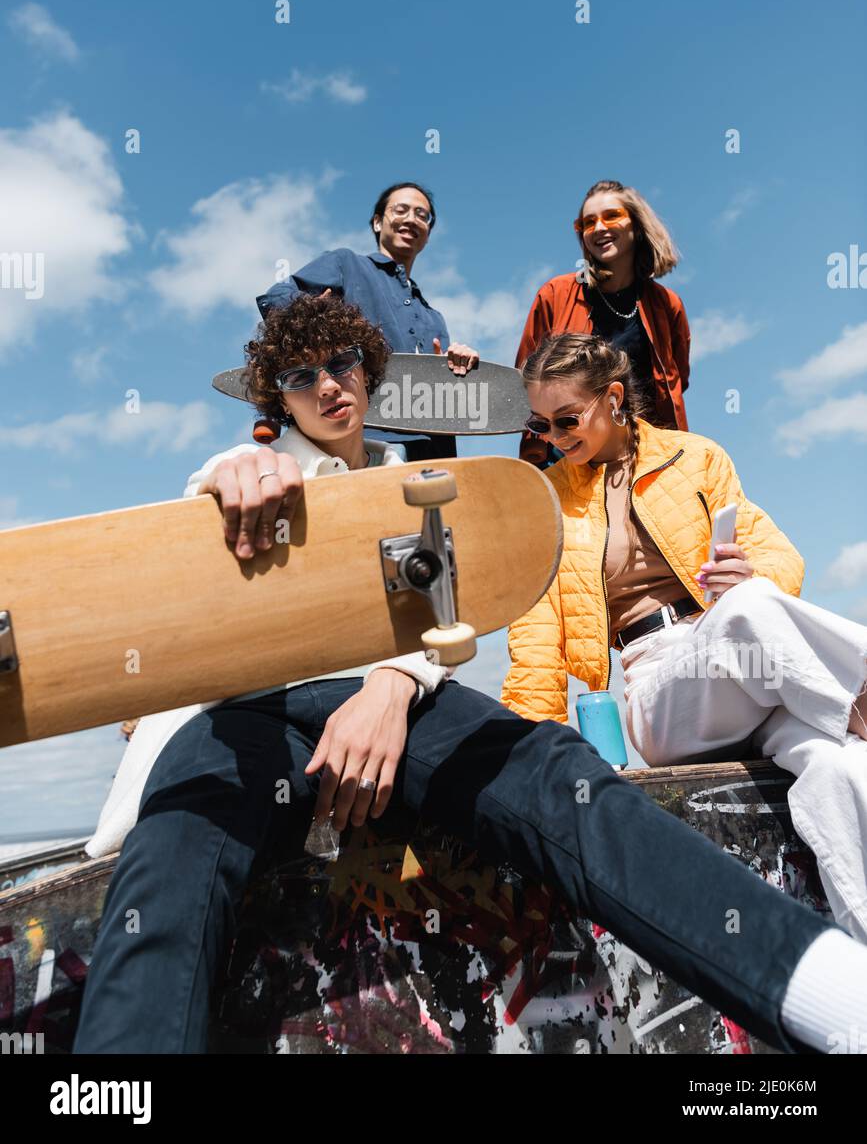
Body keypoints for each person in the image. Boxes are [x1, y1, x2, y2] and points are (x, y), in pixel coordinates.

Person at [72, 297, 867, 1057]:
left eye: (341, 364)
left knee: (562, 779)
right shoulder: (254, 468)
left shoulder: (410, 487)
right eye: (298, 377)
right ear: (277, 399)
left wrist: (387, 688)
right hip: (242, 716)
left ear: (368, 372)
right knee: (174, 845)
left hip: (389, 695)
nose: (325, 386)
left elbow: (438, 622)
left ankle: (832, 994)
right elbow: (210, 494)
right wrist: (230, 475)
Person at [501, 330, 867, 949]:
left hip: (753, 666)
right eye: (543, 427)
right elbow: (535, 636)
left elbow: (781, 559)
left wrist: (753, 571)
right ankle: (857, 697)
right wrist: (525, 760)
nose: (556, 441)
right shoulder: (548, 500)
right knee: (749, 611)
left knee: (841, 767)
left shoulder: (696, 458)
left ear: (614, 398)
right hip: (662, 689)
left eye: (567, 421)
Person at [256, 181, 478, 460]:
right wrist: (314, 315)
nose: (411, 219)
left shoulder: (435, 317)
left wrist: (457, 364)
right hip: (367, 439)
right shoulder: (346, 264)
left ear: (428, 234)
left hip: (432, 448)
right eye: (401, 210)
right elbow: (278, 296)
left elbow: (445, 394)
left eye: (422, 215)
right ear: (377, 222)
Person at [515, 180, 691, 467]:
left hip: (645, 452)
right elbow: (524, 379)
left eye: (611, 216)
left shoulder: (667, 305)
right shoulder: (554, 294)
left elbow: (676, 381)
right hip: (566, 453)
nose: (598, 228)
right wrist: (537, 453)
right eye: (587, 222)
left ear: (636, 223)